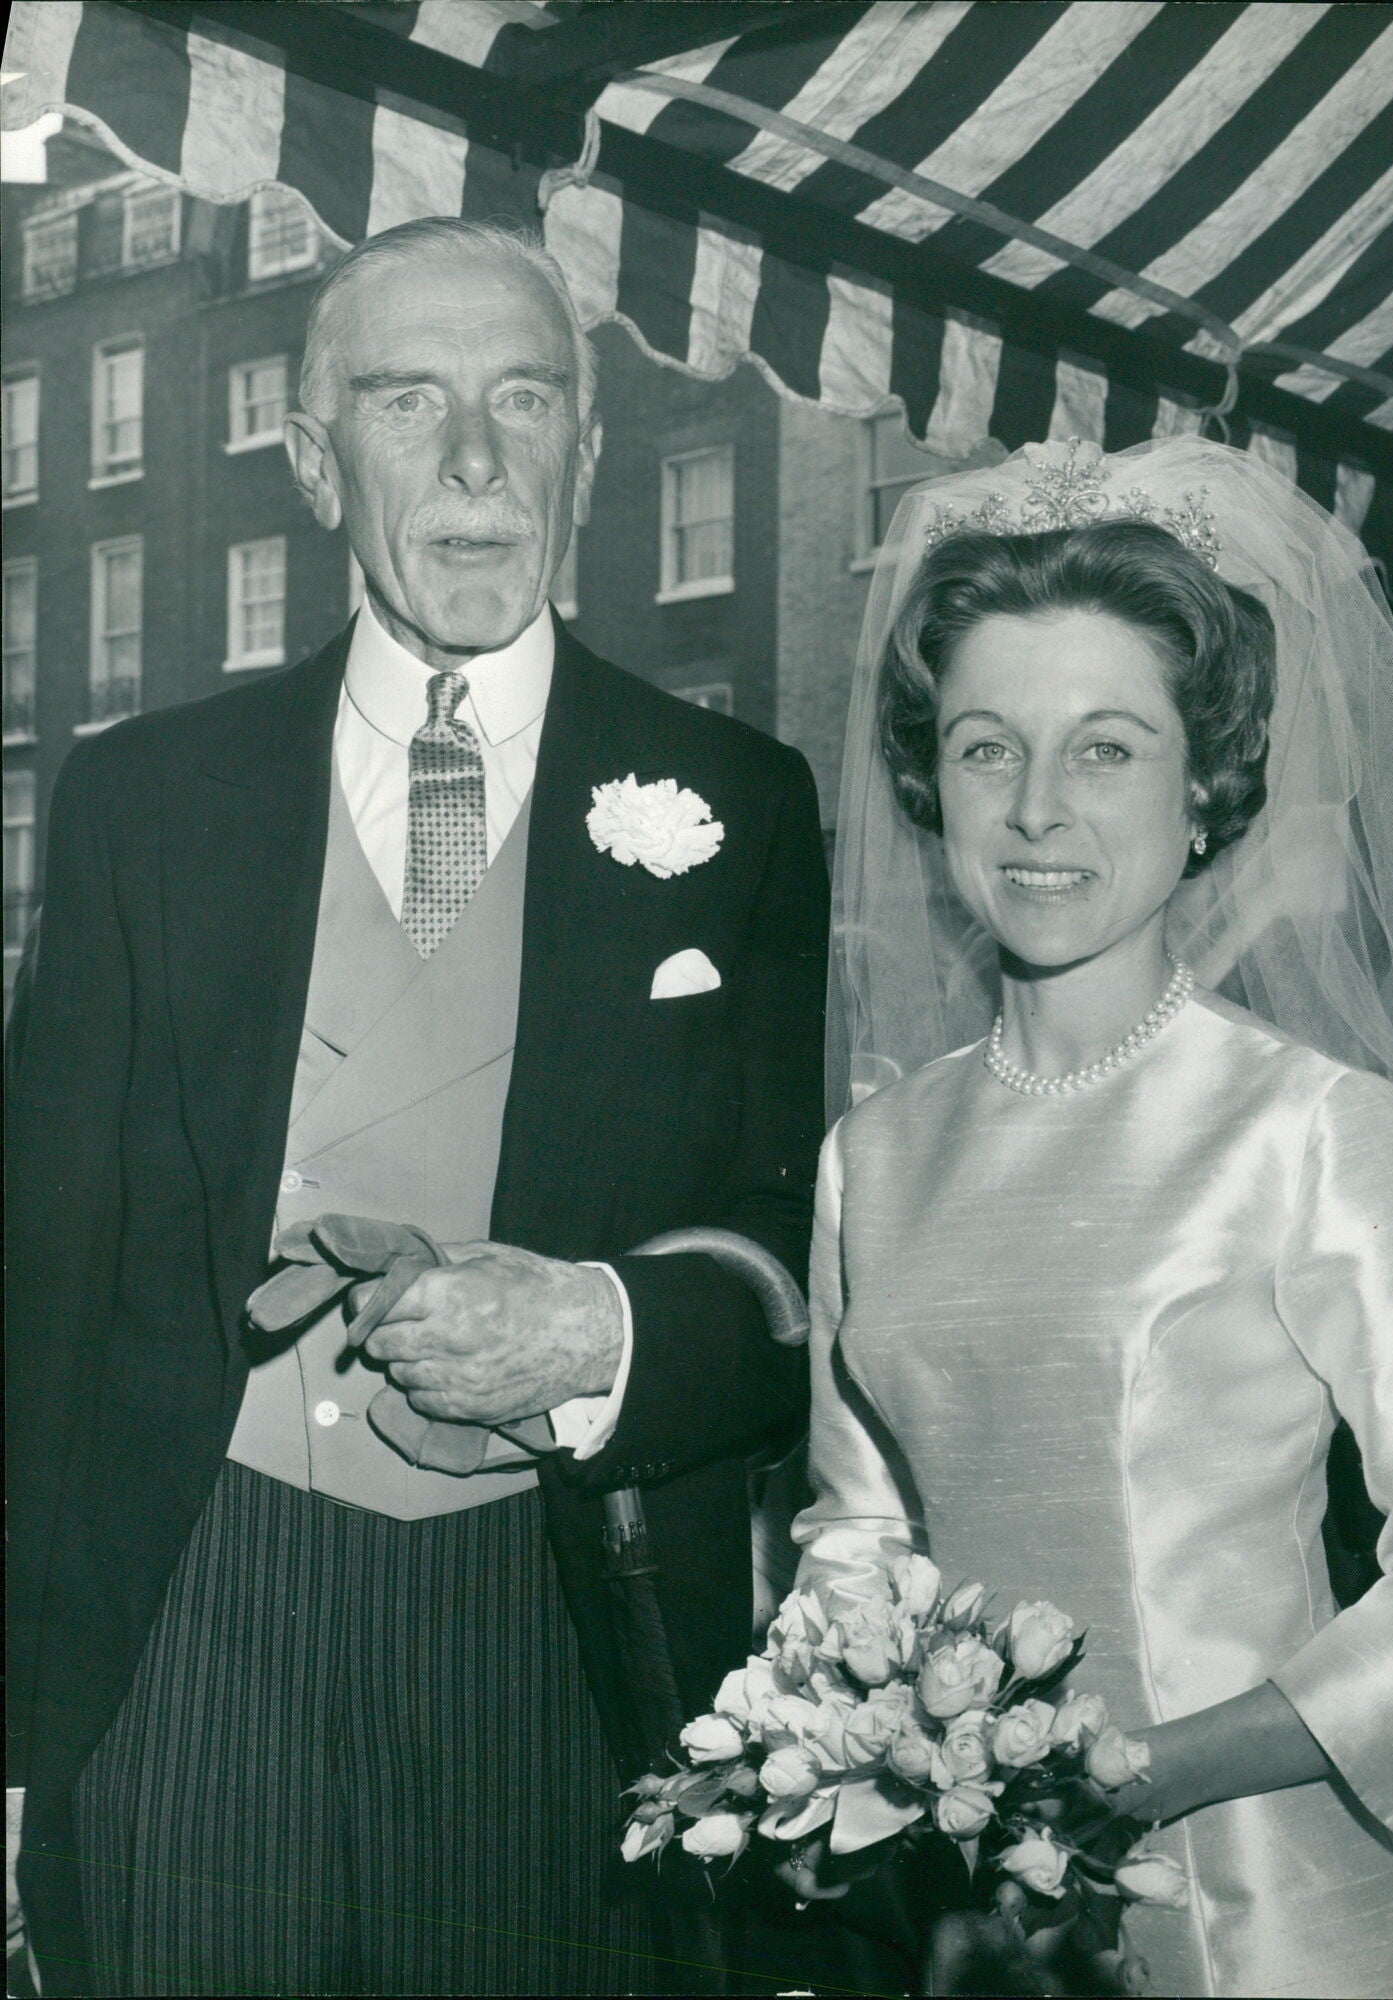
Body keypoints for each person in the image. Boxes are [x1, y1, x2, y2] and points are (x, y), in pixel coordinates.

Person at [6, 217, 830, 1998]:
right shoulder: (142, 799)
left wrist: (599, 1326)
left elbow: (797, 1281)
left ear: (586, 459)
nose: (471, 457)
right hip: (191, 1608)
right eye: (406, 402)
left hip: (561, 1628)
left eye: (522, 400)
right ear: (315, 465)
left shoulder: (742, 803)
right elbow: (33, 1281)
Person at [792, 436, 1393, 1998]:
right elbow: (859, 1535)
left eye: (1104, 749)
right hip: (985, 1933)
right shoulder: (873, 1154)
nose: (1035, 811)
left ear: (1205, 780)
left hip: (1286, 1911)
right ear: (925, 778)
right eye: (984, 748)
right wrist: (838, 1753)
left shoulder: (1308, 1128)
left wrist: (1153, 1769)